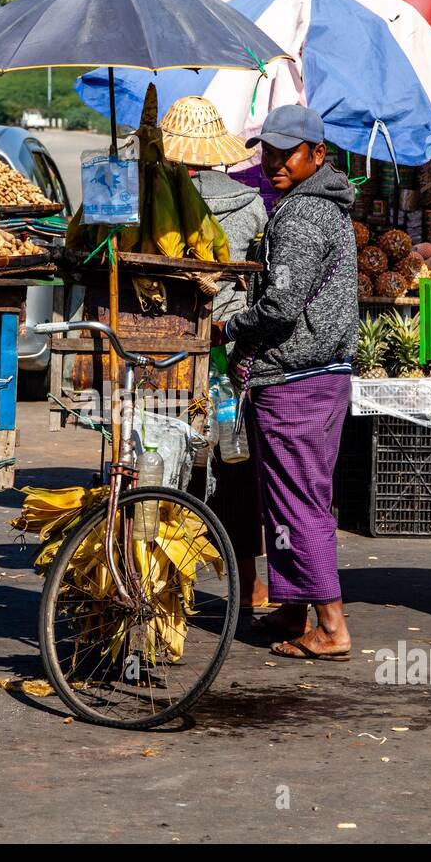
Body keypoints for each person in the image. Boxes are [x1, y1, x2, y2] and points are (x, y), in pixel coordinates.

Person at [214, 104, 357, 661]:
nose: (273, 162)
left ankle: (331, 626)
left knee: (298, 502)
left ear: (317, 155)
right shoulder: (325, 207)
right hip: (317, 374)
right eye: (268, 152)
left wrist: (232, 324)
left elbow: (278, 307)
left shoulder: (300, 215)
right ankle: (296, 608)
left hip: (298, 377)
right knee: (291, 499)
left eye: (285, 152)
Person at [159, 96, 271, 609]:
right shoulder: (250, 203)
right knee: (233, 463)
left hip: (166, 354)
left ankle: (165, 583)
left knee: (168, 460)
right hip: (228, 357)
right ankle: (251, 585)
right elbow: (263, 282)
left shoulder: (154, 199)